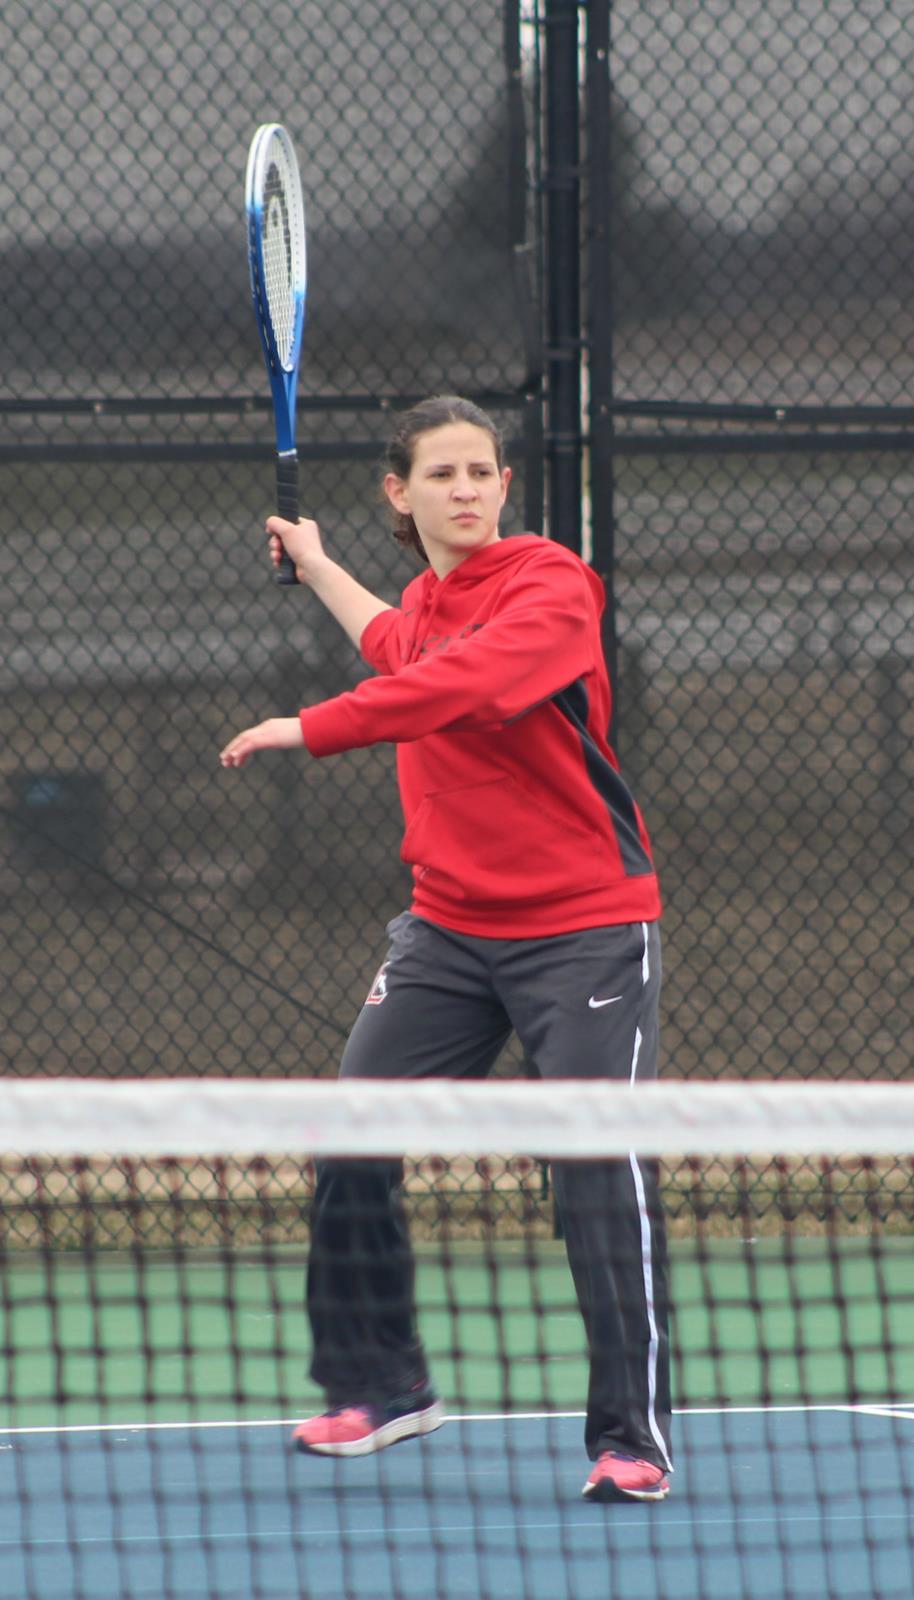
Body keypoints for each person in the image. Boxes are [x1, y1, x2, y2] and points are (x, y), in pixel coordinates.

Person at [219, 395, 672, 1504]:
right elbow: (401, 639)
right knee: (350, 1137)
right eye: (442, 473)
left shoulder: (551, 586)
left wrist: (314, 724)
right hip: (447, 931)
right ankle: (384, 1385)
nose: (468, 488)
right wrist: (321, 566)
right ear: (399, 492)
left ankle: (632, 1435)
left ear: (504, 486)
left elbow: (460, 684)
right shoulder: (426, 602)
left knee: (594, 1169)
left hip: (585, 932)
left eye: (483, 470)